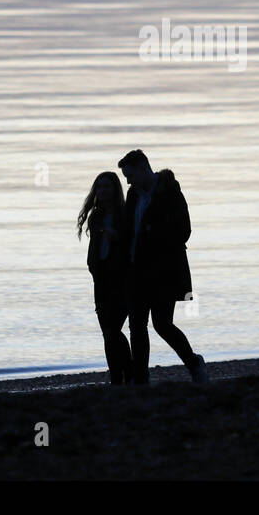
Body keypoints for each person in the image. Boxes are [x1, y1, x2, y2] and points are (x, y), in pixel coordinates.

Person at [118, 149, 209, 384]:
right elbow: (130, 231)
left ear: (142, 168)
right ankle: (140, 378)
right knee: (137, 326)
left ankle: (193, 362)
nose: (128, 181)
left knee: (162, 324)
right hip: (136, 271)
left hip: (163, 272)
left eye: (130, 175)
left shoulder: (170, 191)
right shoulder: (134, 195)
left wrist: (153, 235)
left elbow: (184, 231)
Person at [77, 171, 132, 385]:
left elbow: (130, 246)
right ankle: (118, 377)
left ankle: (128, 373)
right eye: (99, 187)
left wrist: (116, 237)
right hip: (101, 282)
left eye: (107, 187)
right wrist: (93, 269)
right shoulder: (96, 216)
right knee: (107, 332)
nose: (103, 191)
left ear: (114, 189)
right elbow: (93, 251)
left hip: (121, 281)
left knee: (113, 330)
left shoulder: (124, 215)